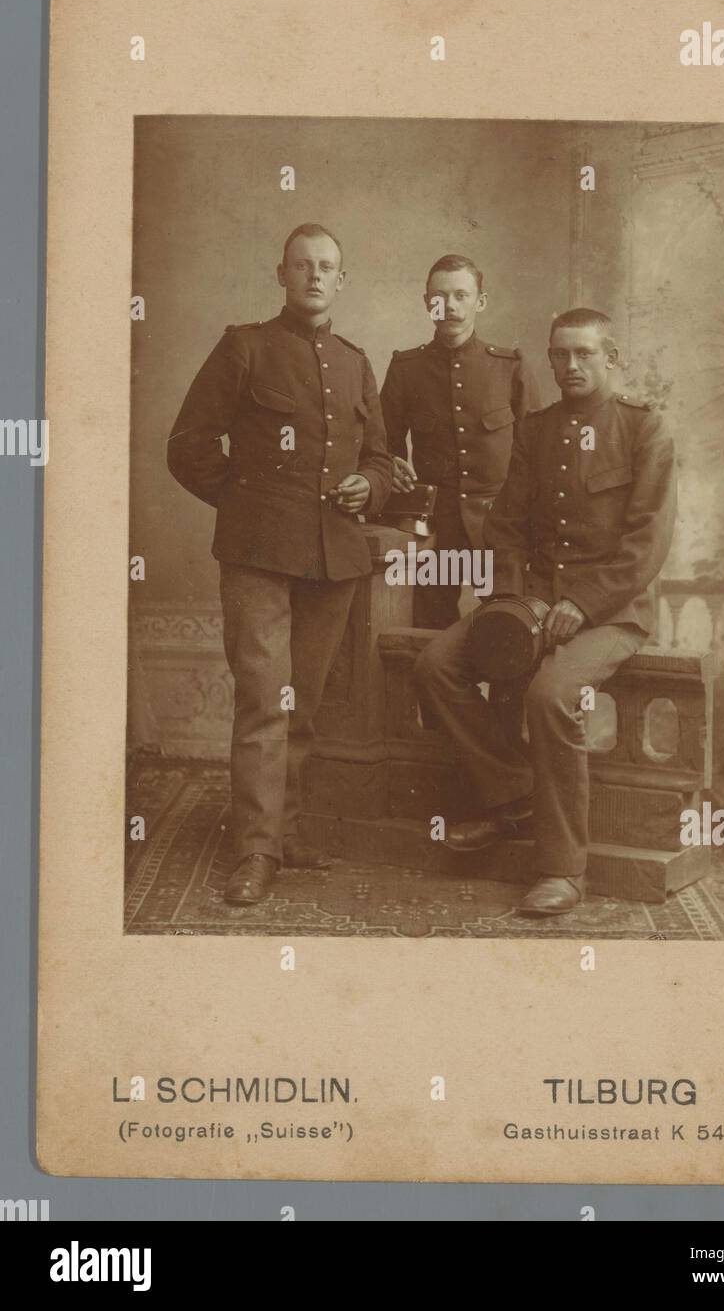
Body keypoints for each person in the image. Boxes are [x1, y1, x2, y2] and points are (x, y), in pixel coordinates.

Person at [413, 308, 677, 916]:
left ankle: (562, 869)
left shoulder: (644, 430)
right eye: (561, 354)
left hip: (612, 614)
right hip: (531, 600)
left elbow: (645, 546)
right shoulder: (535, 430)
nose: (571, 366)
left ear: (611, 359)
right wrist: (517, 602)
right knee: (434, 665)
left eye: (585, 354)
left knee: (551, 695)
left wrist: (580, 605)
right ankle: (515, 795)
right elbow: (505, 527)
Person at [167, 223, 393, 905]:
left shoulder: (355, 362)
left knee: (306, 703)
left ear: (341, 279)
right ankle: (255, 850)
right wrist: (245, 506)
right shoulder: (245, 347)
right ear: (282, 274)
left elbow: (380, 458)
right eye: (302, 265)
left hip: (335, 559)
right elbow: (187, 444)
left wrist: (371, 486)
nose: (315, 276)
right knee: (265, 700)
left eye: (327, 266)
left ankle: (286, 831)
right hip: (259, 556)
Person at [380, 254, 539, 627]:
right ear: (426, 303)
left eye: (461, 295)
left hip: (503, 529)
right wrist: (388, 462)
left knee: (510, 631)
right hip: (434, 529)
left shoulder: (509, 367)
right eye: (439, 296)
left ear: (479, 302)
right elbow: (381, 443)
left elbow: (538, 455)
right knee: (428, 633)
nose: (449, 306)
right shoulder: (406, 369)